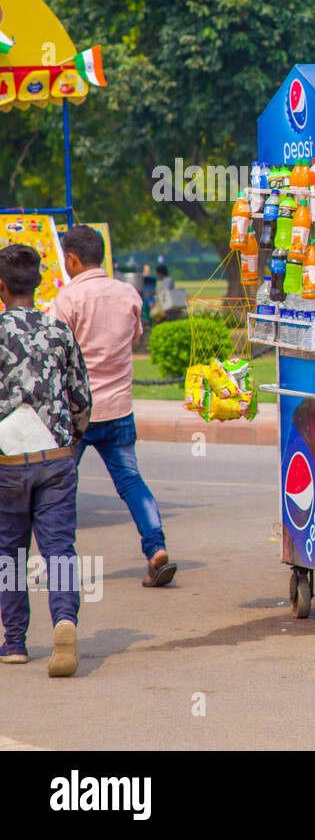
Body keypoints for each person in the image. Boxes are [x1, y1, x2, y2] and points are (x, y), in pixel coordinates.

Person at [52, 226, 177, 588]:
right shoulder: (128, 293)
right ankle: (156, 548)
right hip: (119, 408)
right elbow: (134, 337)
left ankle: (60, 565)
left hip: (76, 414)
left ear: (72, 260)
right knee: (130, 481)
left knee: (60, 487)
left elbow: (58, 352)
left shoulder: (67, 299)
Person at [0, 244, 92, 676]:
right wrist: (71, 440)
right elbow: (80, 397)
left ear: (0, 287)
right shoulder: (58, 331)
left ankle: (15, 641)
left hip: (7, 462)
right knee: (59, 549)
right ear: (38, 284)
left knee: (9, 554)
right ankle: (65, 620)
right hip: (55, 457)